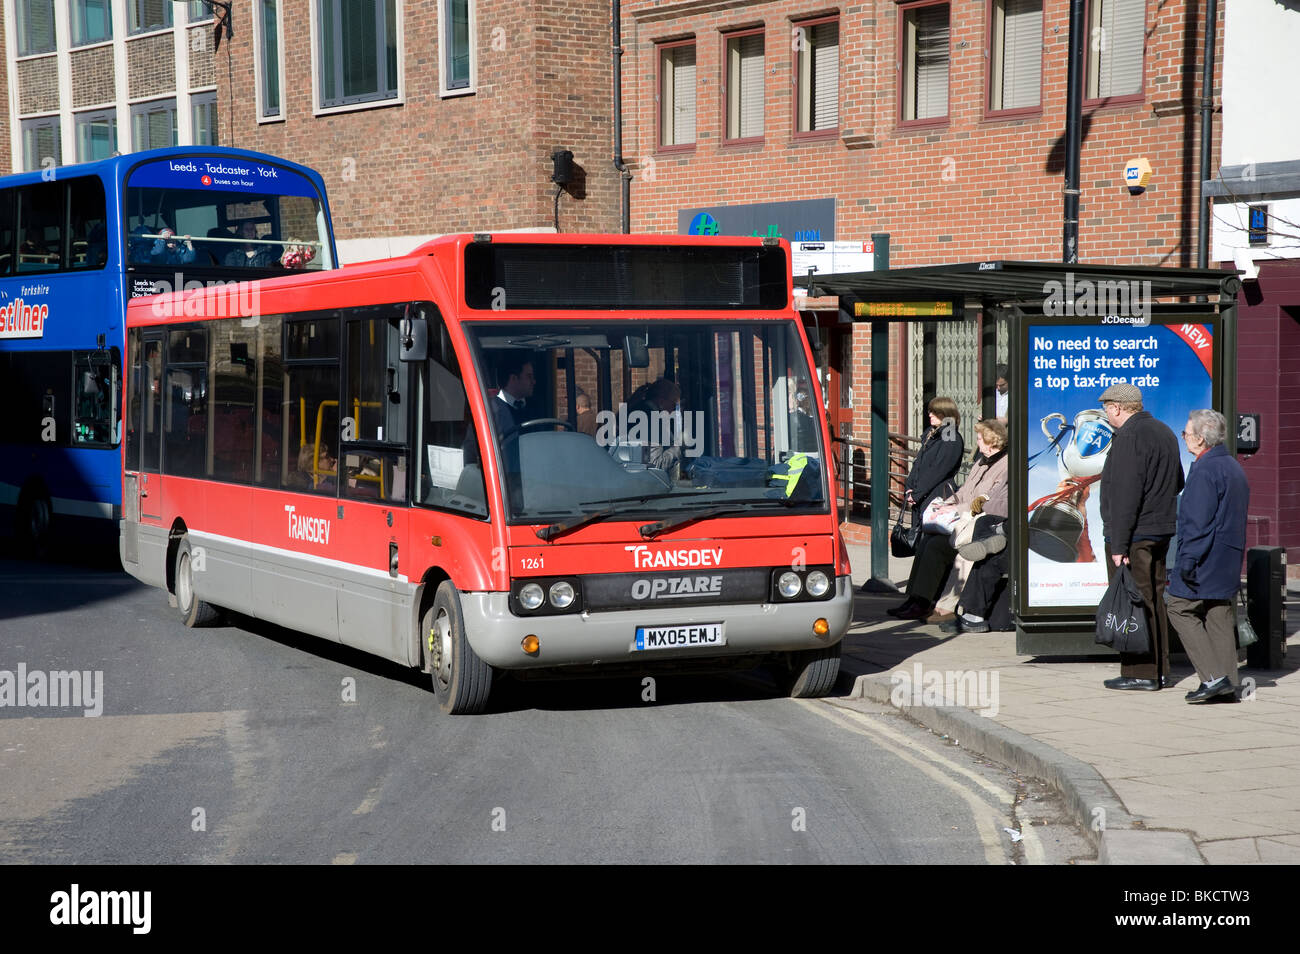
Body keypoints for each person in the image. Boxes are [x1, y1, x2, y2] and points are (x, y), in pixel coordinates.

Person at [1097, 382, 1184, 691]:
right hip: (1160, 531)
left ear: (1117, 408)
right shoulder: (1165, 432)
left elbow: (1125, 497)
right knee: (1153, 599)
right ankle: (1160, 670)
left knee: (1134, 601)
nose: (1107, 414)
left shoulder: (1129, 437)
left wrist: (1118, 545)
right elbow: (1178, 481)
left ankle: (1141, 673)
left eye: (1107, 408)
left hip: (1135, 535)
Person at [1166, 410, 1249, 703]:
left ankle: (1214, 679)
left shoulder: (1204, 470)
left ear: (1200, 439)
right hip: (1227, 557)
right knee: (1217, 613)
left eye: (1186, 433)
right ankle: (1229, 684)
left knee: (1178, 607)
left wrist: (1187, 560)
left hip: (1205, 559)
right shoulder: (1231, 465)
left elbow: (1197, 523)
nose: (1184, 437)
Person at [889, 418, 1008, 620]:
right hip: (961, 519)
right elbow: (965, 491)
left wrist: (957, 508)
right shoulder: (981, 461)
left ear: (991, 441)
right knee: (926, 540)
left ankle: (925, 601)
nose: (977, 442)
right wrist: (948, 502)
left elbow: (988, 502)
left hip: (978, 524)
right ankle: (916, 598)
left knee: (936, 546)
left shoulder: (1005, 466)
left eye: (979, 438)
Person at [877, 397, 964, 599]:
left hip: (935, 496)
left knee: (928, 544)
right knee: (921, 545)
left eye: (934, 412)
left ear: (945, 415)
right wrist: (909, 488)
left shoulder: (949, 435)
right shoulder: (931, 434)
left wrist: (917, 492)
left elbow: (939, 470)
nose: (929, 415)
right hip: (922, 495)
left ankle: (925, 595)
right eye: (929, 411)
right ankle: (916, 594)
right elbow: (919, 464)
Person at [625, 376, 682, 473]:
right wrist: (678, 448)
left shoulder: (638, 412)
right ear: (662, 401)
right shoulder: (651, 421)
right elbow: (656, 465)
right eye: (673, 404)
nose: (674, 410)